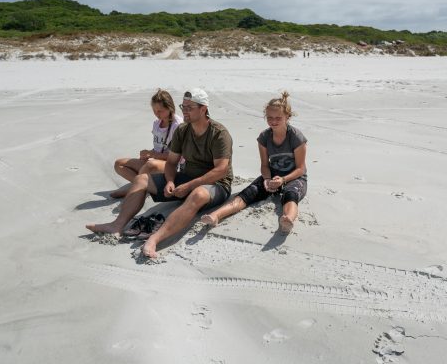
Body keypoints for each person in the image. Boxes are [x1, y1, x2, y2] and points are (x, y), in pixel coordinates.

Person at [87, 88, 234, 258]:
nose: (184, 111)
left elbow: (221, 170)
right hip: (186, 178)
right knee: (142, 179)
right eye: (183, 106)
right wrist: (170, 181)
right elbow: (171, 162)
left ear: (203, 109)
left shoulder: (219, 133)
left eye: (189, 108)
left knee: (198, 194)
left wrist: (190, 185)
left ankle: (155, 239)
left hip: (216, 185)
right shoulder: (183, 130)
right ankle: (117, 225)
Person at [201, 91, 307, 234]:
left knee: (290, 195)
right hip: (272, 176)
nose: (273, 121)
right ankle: (216, 216)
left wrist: (283, 179)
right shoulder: (264, 137)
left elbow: (301, 168)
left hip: (294, 177)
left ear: (287, 117)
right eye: (270, 118)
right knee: (248, 193)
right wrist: (268, 179)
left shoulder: (296, 137)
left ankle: (287, 219)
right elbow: (264, 165)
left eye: (278, 118)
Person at [110, 89, 184, 198]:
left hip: (172, 167)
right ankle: (143, 185)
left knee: (150, 165)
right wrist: (148, 153)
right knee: (119, 164)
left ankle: (133, 189)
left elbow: (180, 157)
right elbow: (159, 148)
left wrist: (153, 155)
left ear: (169, 108)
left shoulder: (177, 125)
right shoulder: (157, 123)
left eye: (160, 111)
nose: (157, 114)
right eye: (154, 110)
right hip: (157, 162)